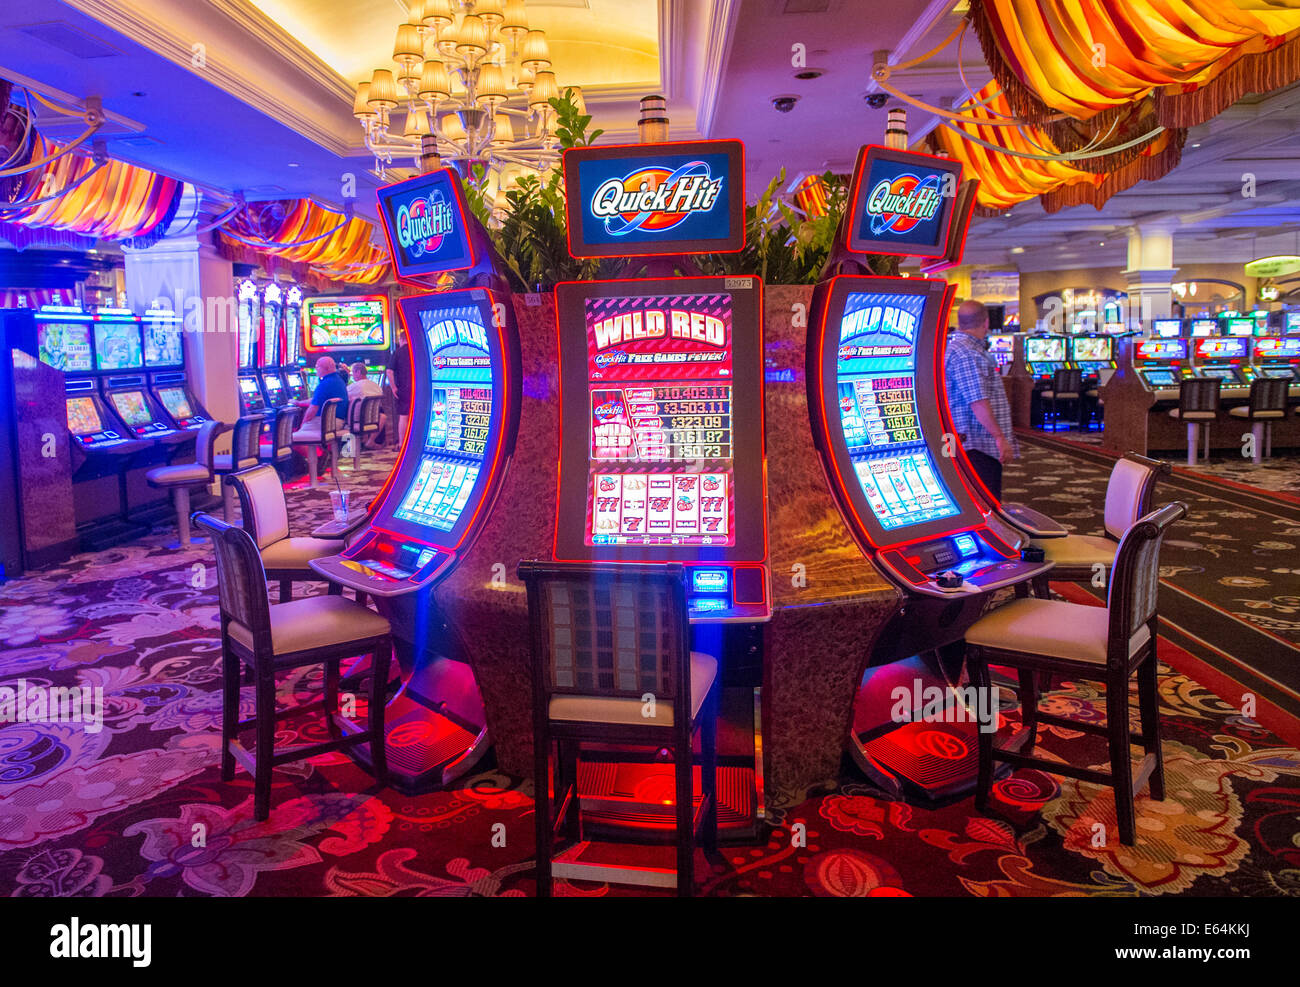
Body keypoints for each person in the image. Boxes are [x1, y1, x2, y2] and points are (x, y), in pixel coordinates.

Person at [944, 300, 1018, 500]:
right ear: (986, 323)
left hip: (970, 442)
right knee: (985, 504)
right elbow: (978, 401)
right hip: (975, 445)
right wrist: (999, 437)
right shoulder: (967, 354)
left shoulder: (964, 350)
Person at [299, 355, 347, 428]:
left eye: (317, 367)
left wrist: (302, 426)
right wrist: (299, 403)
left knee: (294, 434)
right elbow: (316, 400)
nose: (316, 369)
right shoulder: (337, 380)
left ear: (327, 368)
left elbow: (313, 409)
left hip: (328, 422)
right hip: (336, 421)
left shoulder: (325, 384)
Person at [347, 362, 387, 448]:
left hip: (359, 419)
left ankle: (353, 444)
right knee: (382, 415)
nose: (352, 376)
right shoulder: (376, 386)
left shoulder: (355, 386)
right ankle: (370, 440)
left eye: (353, 373)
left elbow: (344, 396)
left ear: (358, 372)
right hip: (375, 418)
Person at [386, 328, 412, 446]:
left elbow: (389, 372)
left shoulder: (397, 352)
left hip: (403, 388)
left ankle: (402, 444)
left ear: (401, 339)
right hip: (418, 388)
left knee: (404, 416)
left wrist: (393, 388)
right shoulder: (416, 351)